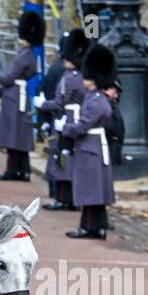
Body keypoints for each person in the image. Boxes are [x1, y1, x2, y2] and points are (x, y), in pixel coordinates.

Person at [61, 42, 116, 239]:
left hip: (90, 148)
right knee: (93, 190)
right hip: (92, 147)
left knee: (91, 190)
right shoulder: (95, 98)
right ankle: (95, 226)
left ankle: (90, 227)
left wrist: (64, 128)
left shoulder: (96, 101)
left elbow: (82, 126)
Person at [0, 9, 43, 181]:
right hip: (17, 95)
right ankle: (22, 170)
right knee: (19, 135)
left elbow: (9, 77)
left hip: (14, 96)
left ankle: (12, 171)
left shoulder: (23, 56)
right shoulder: (26, 54)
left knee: (14, 136)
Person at [38, 29, 88, 210]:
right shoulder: (78, 76)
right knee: (68, 159)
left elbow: (59, 101)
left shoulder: (70, 78)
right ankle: (70, 198)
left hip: (65, 118)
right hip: (73, 117)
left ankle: (63, 198)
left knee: (61, 158)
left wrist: (43, 104)